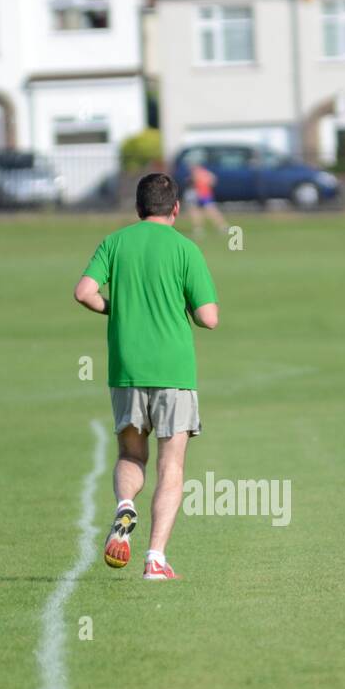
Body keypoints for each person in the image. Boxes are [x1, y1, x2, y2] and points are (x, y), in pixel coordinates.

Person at [74, 172, 219, 581]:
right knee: (170, 467)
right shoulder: (186, 248)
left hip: (126, 369)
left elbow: (83, 291)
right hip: (174, 370)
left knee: (131, 455)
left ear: (138, 209)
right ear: (175, 208)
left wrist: (113, 309)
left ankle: (125, 504)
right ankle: (155, 558)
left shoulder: (115, 243)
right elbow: (209, 318)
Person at [189, 161, 227, 235]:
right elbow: (213, 181)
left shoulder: (197, 173)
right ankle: (222, 226)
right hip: (205, 195)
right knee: (202, 211)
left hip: (202, 195)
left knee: (207, 211)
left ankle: (221, 226)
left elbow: (193, 184)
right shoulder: (206, 173)